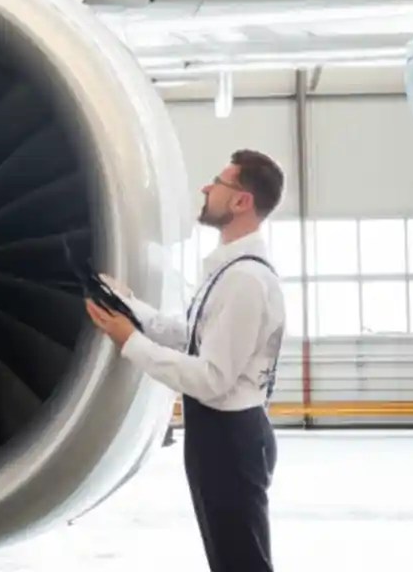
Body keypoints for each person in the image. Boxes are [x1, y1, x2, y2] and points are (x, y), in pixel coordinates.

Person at [85, 149, 287, 572]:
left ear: (241, 202)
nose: (206, 188)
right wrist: (130, 306)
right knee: (229, 556)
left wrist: (130, 343)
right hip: (219, 433)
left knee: (240, 561)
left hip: (228, 437)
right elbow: (191, 335)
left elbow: (212, 378)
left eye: (219, 182)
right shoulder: (229, 271)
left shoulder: (245, 280)